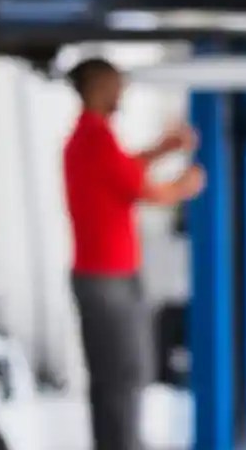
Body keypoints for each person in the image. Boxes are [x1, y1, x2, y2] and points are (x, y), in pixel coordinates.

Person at [62, 57, 206, 450]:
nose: (121, 90)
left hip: (107, 276)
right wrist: (188, 183)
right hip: (107, 281)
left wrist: (164, 148)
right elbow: (149, 191)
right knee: (124, 375)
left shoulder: (94, 138)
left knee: (115, 377)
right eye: (114, 83)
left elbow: (125, 171)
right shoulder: (93, 137)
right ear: (95, 87)